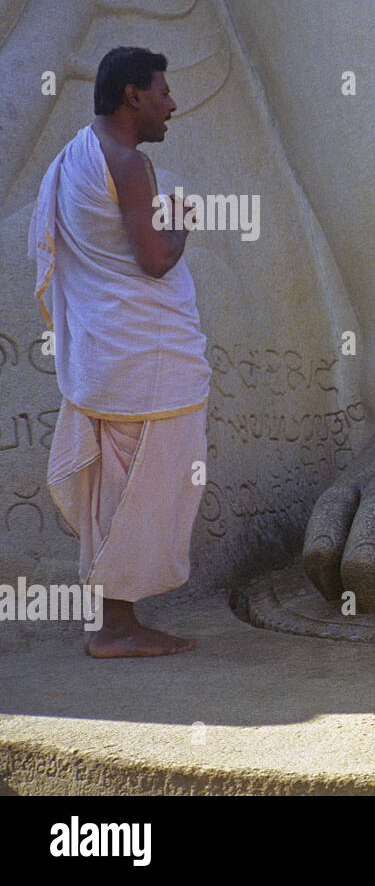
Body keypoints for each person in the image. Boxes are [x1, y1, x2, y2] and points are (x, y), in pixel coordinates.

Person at [28, 46, 211, 657]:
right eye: (162, 92)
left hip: (110, 360)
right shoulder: (128, 163)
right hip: (144, 364)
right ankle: (118, 629)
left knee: (119, 489)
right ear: (133, 96)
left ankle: (116, 624)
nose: (171, 103)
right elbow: (155, 259)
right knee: (142, 490)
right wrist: (182, 217)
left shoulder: (74, 154)